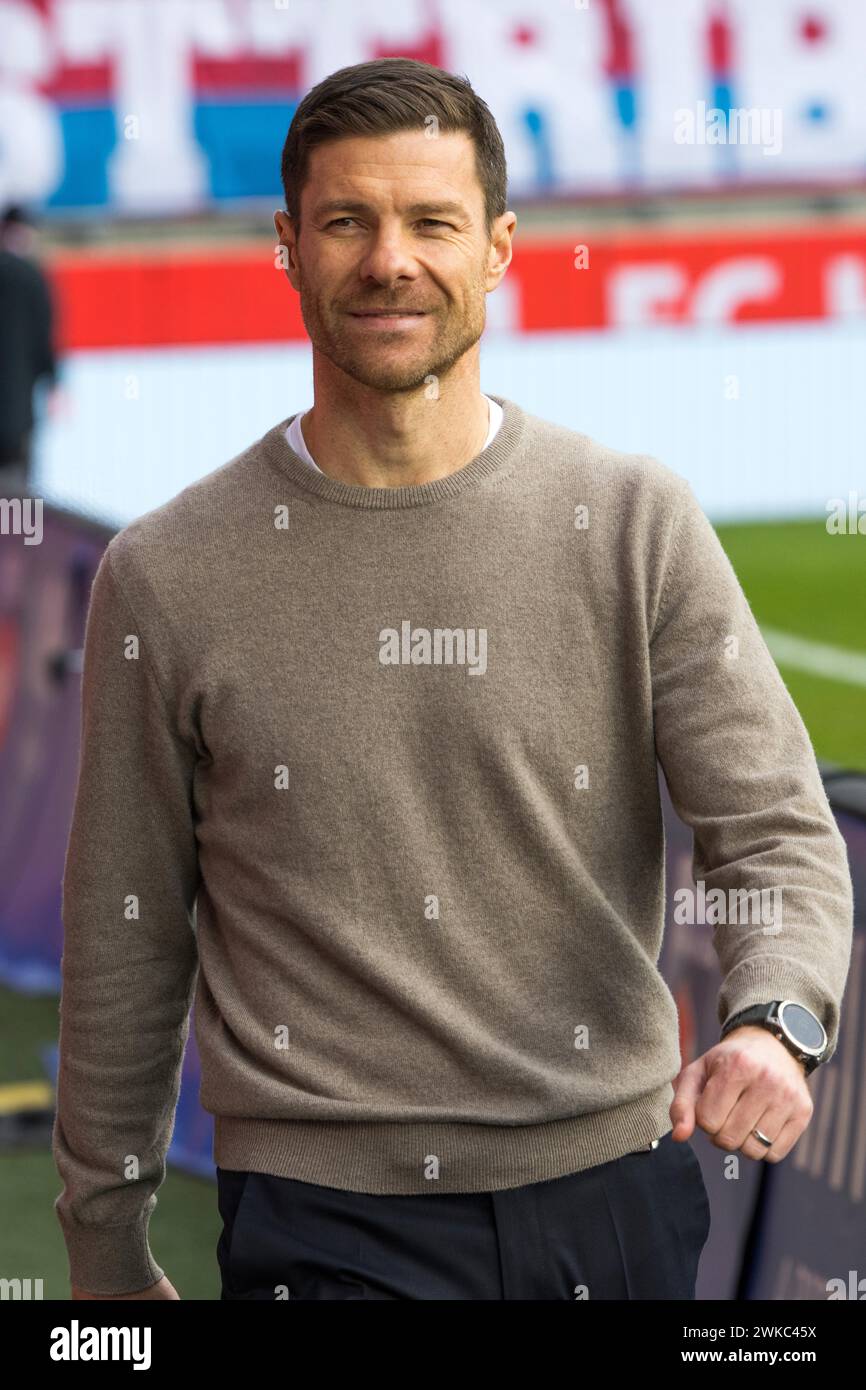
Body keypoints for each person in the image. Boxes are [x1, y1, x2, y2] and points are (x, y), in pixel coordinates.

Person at [52, 58, 853, 1302]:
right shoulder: (168, 576)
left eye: (431, 221)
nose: (388, 259)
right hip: (327, 1228)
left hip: (620, 1200)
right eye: (345, 221)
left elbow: (777, 835)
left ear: (497, 249)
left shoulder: (634, 519)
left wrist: (776, 1017)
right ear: (287, 245)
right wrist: (103, 1241)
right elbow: (126, 932)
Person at [0, 205, 59, 497]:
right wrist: (55, 383)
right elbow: (44, 338)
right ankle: (19, 537)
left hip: (14, 408)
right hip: (17, 413)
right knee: (19, 502)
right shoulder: (33, 277)